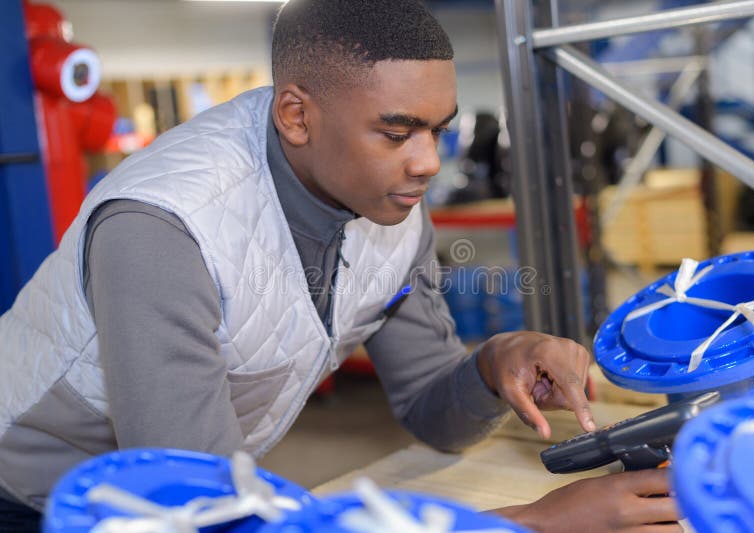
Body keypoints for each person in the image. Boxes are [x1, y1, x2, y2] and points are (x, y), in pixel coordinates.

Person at [0, 1, 680, 531]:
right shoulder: (164, 233)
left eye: (438, 129)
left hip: (175, 493)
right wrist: (530, 522)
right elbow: (207, 514)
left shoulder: (389, 205)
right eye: (397, 131)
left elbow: (433, 414)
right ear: (297, 115)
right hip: (30, 497)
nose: (429, 162)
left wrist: (497, 361)